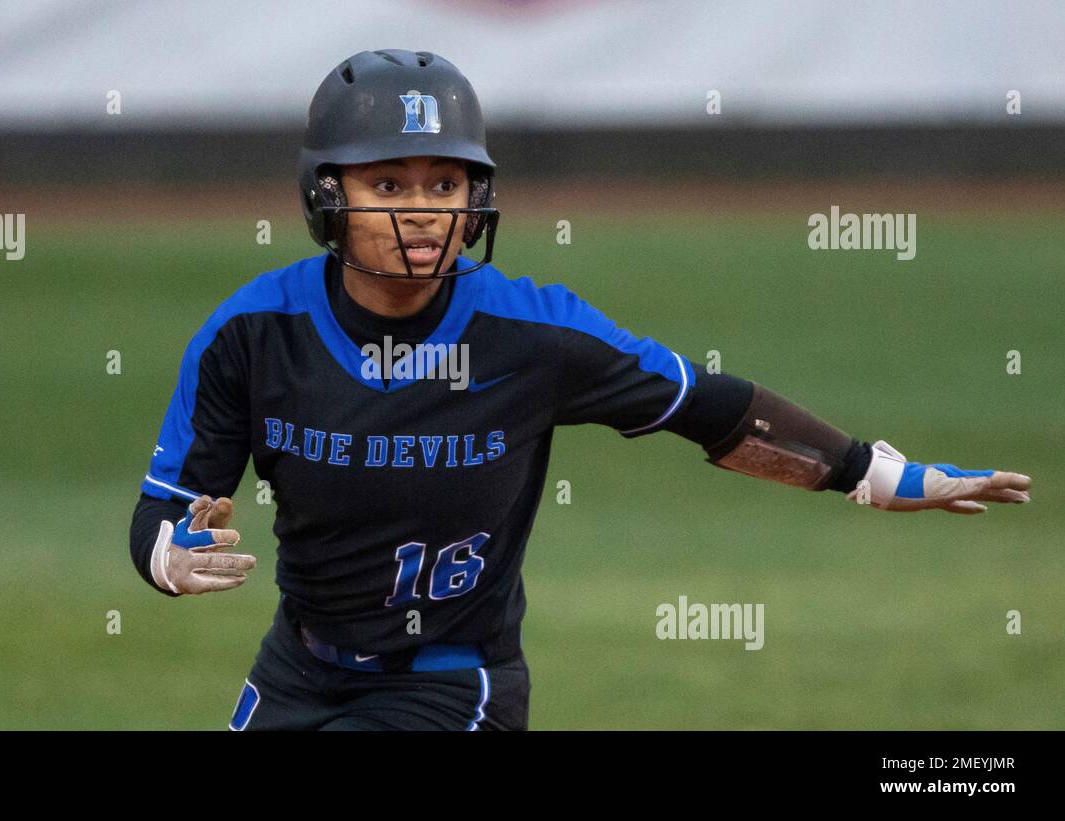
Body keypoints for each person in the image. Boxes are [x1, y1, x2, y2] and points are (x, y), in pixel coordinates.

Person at [128, 49, 1032, 731]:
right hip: (299, 669)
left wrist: (877, 475)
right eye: (389, 182)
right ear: (326, 194)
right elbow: (166, 509)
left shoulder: (532, 332)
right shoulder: (252, 333)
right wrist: (169, 559)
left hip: (451, 679)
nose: (423, 211)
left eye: (445, 182)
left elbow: (708, 409)